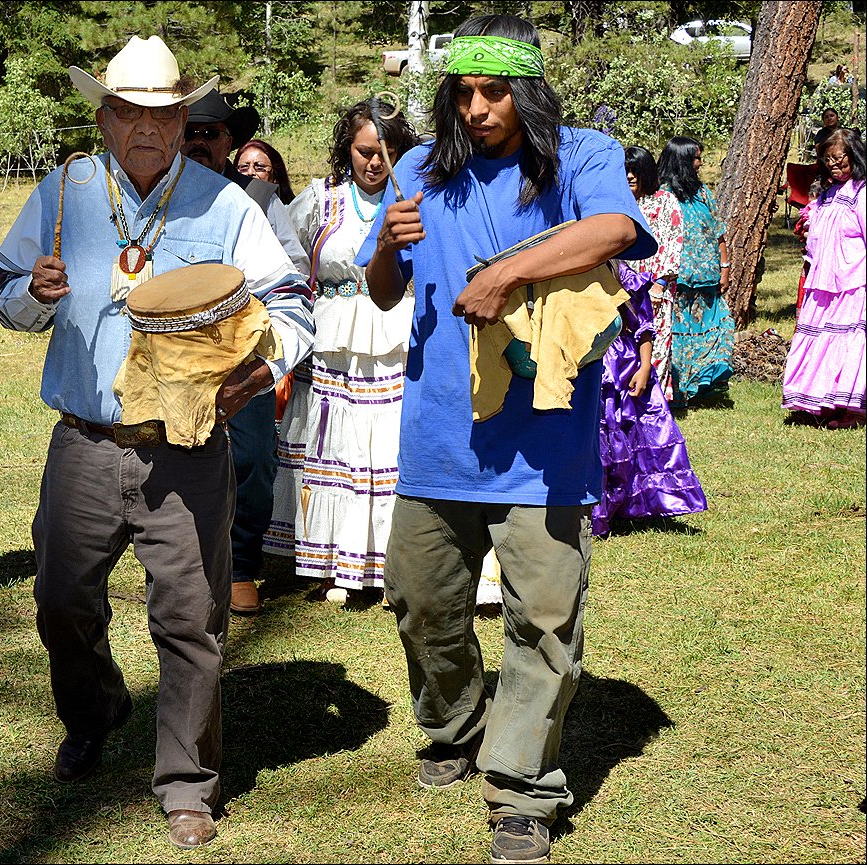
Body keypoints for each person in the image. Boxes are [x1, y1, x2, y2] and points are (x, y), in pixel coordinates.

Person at [0, 36, 313, 848]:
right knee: (61, 600)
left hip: (189, 446)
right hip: (85, 441)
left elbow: (293, 303)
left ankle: (186, 781)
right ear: (104, 117)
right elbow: (5, 292)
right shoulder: (64, 190)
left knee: (192, 616)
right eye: (129, 110)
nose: (146, 127)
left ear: (181, 120)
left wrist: (257, 367)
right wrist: (33, 290)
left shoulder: (226, 203)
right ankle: (96, 711)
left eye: (162, 113)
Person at [358, 16, 655, 863]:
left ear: (526, 89)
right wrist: (386, 243)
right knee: (419, 601)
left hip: (545, 446)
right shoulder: (418, 167)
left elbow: (616, 231)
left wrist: (504, 272)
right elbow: (384, 293)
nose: (479, 108)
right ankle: (456, 723)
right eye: (464, 92)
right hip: (439, 436)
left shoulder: (582, 155)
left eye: (495, 93)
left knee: (544, 619)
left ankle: (522, 789)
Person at [265, 97, 416, 606]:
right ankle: (331, 561)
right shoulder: (319, 200)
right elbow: (281, 255)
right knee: (333, 443)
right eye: (365, 150)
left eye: (388, 150)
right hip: (332, 339)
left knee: (384, 443)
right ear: (347, 149)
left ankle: (387, 563)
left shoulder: (415, 198)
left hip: (393, 336)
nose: (376, 162)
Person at [181, 88, 309, 615]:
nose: (197, 144)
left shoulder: (255, 201)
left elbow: (294, 270)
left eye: (210, 134)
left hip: (243, 350)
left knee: (254, 457)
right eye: (189, 132)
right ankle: (186, 561)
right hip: (173, 354)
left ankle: (240, 564)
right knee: (173, 453)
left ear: (229, 142)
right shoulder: (153, 197)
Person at [592, 262, 707, 535]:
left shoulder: (626, 276)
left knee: (626, 438)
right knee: (595, 441)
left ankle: (626, 503)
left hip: (623, 365)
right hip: (586, 362)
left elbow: (644, 326)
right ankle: (593, 510)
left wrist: (644, 367)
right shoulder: (571, 271)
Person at [781, 127, 866, 429]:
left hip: (853, 283)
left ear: (854, 155)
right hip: (822, 282)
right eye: (827, 159)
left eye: (839, 158)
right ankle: (819, 402)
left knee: (849, 341)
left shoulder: (862, 192)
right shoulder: (828, 194)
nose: (833, 164)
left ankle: (854, 409)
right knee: (820, 340)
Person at [658, 135, 735, 407]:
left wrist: (724, 269)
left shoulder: (703, 193)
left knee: (717, 324)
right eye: (696, 158)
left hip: (707, 278)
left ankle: (706, 383)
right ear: (682, 161)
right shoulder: (662, 196)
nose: (700, 163)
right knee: (677, 332)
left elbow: (719, 233)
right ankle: (677, 389)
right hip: (676, 278)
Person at [622, 145, 684, 401]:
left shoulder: (665, 201)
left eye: (635, 170)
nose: (630, 176)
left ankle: (653, 404)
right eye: (625, 171)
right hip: (620, 289)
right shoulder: (617, 203)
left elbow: (673, 243)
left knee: (655, 346)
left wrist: (658, 284)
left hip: (654, 289)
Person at [236, 138, 296, 203]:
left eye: (259, 167)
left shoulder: (288, 211)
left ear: (276, 176)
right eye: (244, 167)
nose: (250, 172)